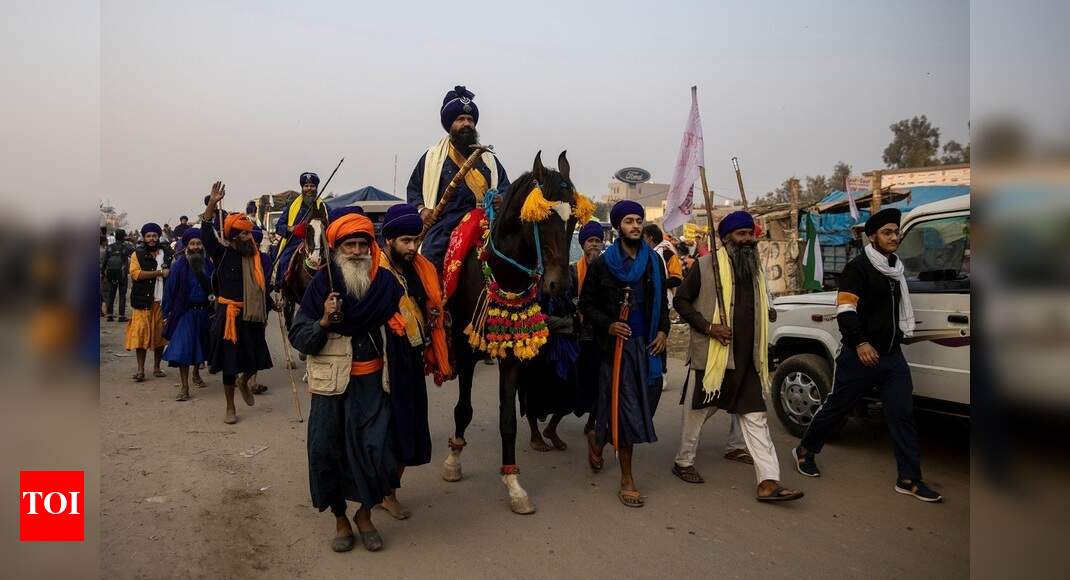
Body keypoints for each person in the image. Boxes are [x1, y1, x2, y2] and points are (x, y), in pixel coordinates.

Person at [793, 208, 942, 502]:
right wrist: (861, 343)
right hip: (859, 355)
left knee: (902, 416)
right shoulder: (858, 268)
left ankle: (909, 478)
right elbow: (846, 311)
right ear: (872, 236)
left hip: (891, 357)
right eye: (887, 232)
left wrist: (898, 336)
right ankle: (805, 450)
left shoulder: (895, 269)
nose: (894, 237)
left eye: (896, 232)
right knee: (837, 409)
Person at [289, 211, 405, 553]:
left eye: (362, 244)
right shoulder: (320, 286)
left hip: (373, 385)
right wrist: (324, 321)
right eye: (349, 245)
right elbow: (299, 335)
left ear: (372, 247)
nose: (356, 251)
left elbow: (405, 328)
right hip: (331, 387)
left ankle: (364, 515)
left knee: (379, 452)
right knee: (327, 453)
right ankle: (341, 518)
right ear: (336, 248)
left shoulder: (385, 285)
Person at [671, 211, 803, 501]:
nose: (748, 240)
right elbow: (681, 300)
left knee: (756, 418)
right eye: (741, 234)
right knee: (697, 413)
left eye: (750, 234)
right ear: (726, 238)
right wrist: (708, 326)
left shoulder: (755, 270)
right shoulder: (706, 266)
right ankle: (683, 461)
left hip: (748, 359)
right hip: (714, 358)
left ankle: (768, 481)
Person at [579, 201, 669, 508]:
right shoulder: (603, 264)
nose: (635, 225)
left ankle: (598, 437)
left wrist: (663, 332)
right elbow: (586, 305)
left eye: (639, 221)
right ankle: (627, 478)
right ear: (618, 226)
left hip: (648, 346)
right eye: (629, 221)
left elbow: (662, 303)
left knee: (641, 403)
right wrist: (610, 325)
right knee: (626, 408)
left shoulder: (654, 263)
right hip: (615, 350)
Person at [378, 204, 452, 520]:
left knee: (409, 429)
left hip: (411, 357)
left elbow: (424, 303)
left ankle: (389, 490)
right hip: (382, 361)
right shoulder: (374, 271)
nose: (412, 247)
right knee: (386, 431)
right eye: (405, 241)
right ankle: (382, 492)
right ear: (389, 240)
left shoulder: (419, 267)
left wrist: (432, 314)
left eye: (414, 240)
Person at [405, 85, 509, 270]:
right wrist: (422, 210)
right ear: (450, 124)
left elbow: (505, 188)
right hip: (446, 226)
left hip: (487, 224)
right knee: (429, 262)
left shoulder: (489, 158)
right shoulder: (432, 157)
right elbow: (413, 190)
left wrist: (501, 199)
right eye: (460, 119)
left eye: (470, 119)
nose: (467, 124)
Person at [200, 182, 274, 424]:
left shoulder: (257, 259)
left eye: (248, 233)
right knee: (230, 366)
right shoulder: (221, 253)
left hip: (252, 316)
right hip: (228, 316)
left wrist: (273, 303)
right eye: (241, 233)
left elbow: (262, 288)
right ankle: (230, 407)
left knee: (256, 358)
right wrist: (212, 203)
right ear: (232, 236)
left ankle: (246, 380)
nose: (246, 236)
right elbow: (205, 230)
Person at [161, 228, 213, 401]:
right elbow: (170, 291)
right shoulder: (178, 266)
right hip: (184, 313)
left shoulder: (209, 265)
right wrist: (166, 312)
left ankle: (196, 374)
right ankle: (184, 387)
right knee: (183, 349)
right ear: (187, 246)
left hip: (204, 312)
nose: (196, 247)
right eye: (192, 244)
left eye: (199, 243)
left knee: (201, 346)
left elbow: (215, 287)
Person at [125, 223, 173, 382]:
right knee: (140, 336)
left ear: (158, 236)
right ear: (144, 238)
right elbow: (136, 275)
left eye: (154, 236)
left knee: (160, 337)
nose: (152, 239)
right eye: (148, 236)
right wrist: (159, 272)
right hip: (142, 302)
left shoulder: (167, 253)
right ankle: (140, 371)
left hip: (162, 301)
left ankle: (157, 368)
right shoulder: (136, 255)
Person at [572, 221, 605, 437]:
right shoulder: (573, 270)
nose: (594, 245)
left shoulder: (608, 269)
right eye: (590, 241)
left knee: (600, 383)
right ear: (583, 244)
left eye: (597, 241)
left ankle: (592, 421)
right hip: (577, 334)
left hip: (600, 334)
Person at [274, 173, 329, 290]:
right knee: (283, 261)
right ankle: (281, 289)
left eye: (312, 186)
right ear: (302, 188)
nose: (309, 189)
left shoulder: (325, 207)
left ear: (316, 188)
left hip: (319, 243)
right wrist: (292, 228)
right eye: (306, 186)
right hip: (295, 242)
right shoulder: (292, 206)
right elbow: (279, 226)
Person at [102, 229, 133, 322]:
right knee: (122, 294)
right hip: (122, 273)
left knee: (111, 294)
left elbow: (105, 261)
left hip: (111, 273)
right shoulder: (127, 247)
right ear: (124, 237)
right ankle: (121, 316)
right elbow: (135, 253)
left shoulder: (110, 247)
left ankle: (110, 315)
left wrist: (102, 272)